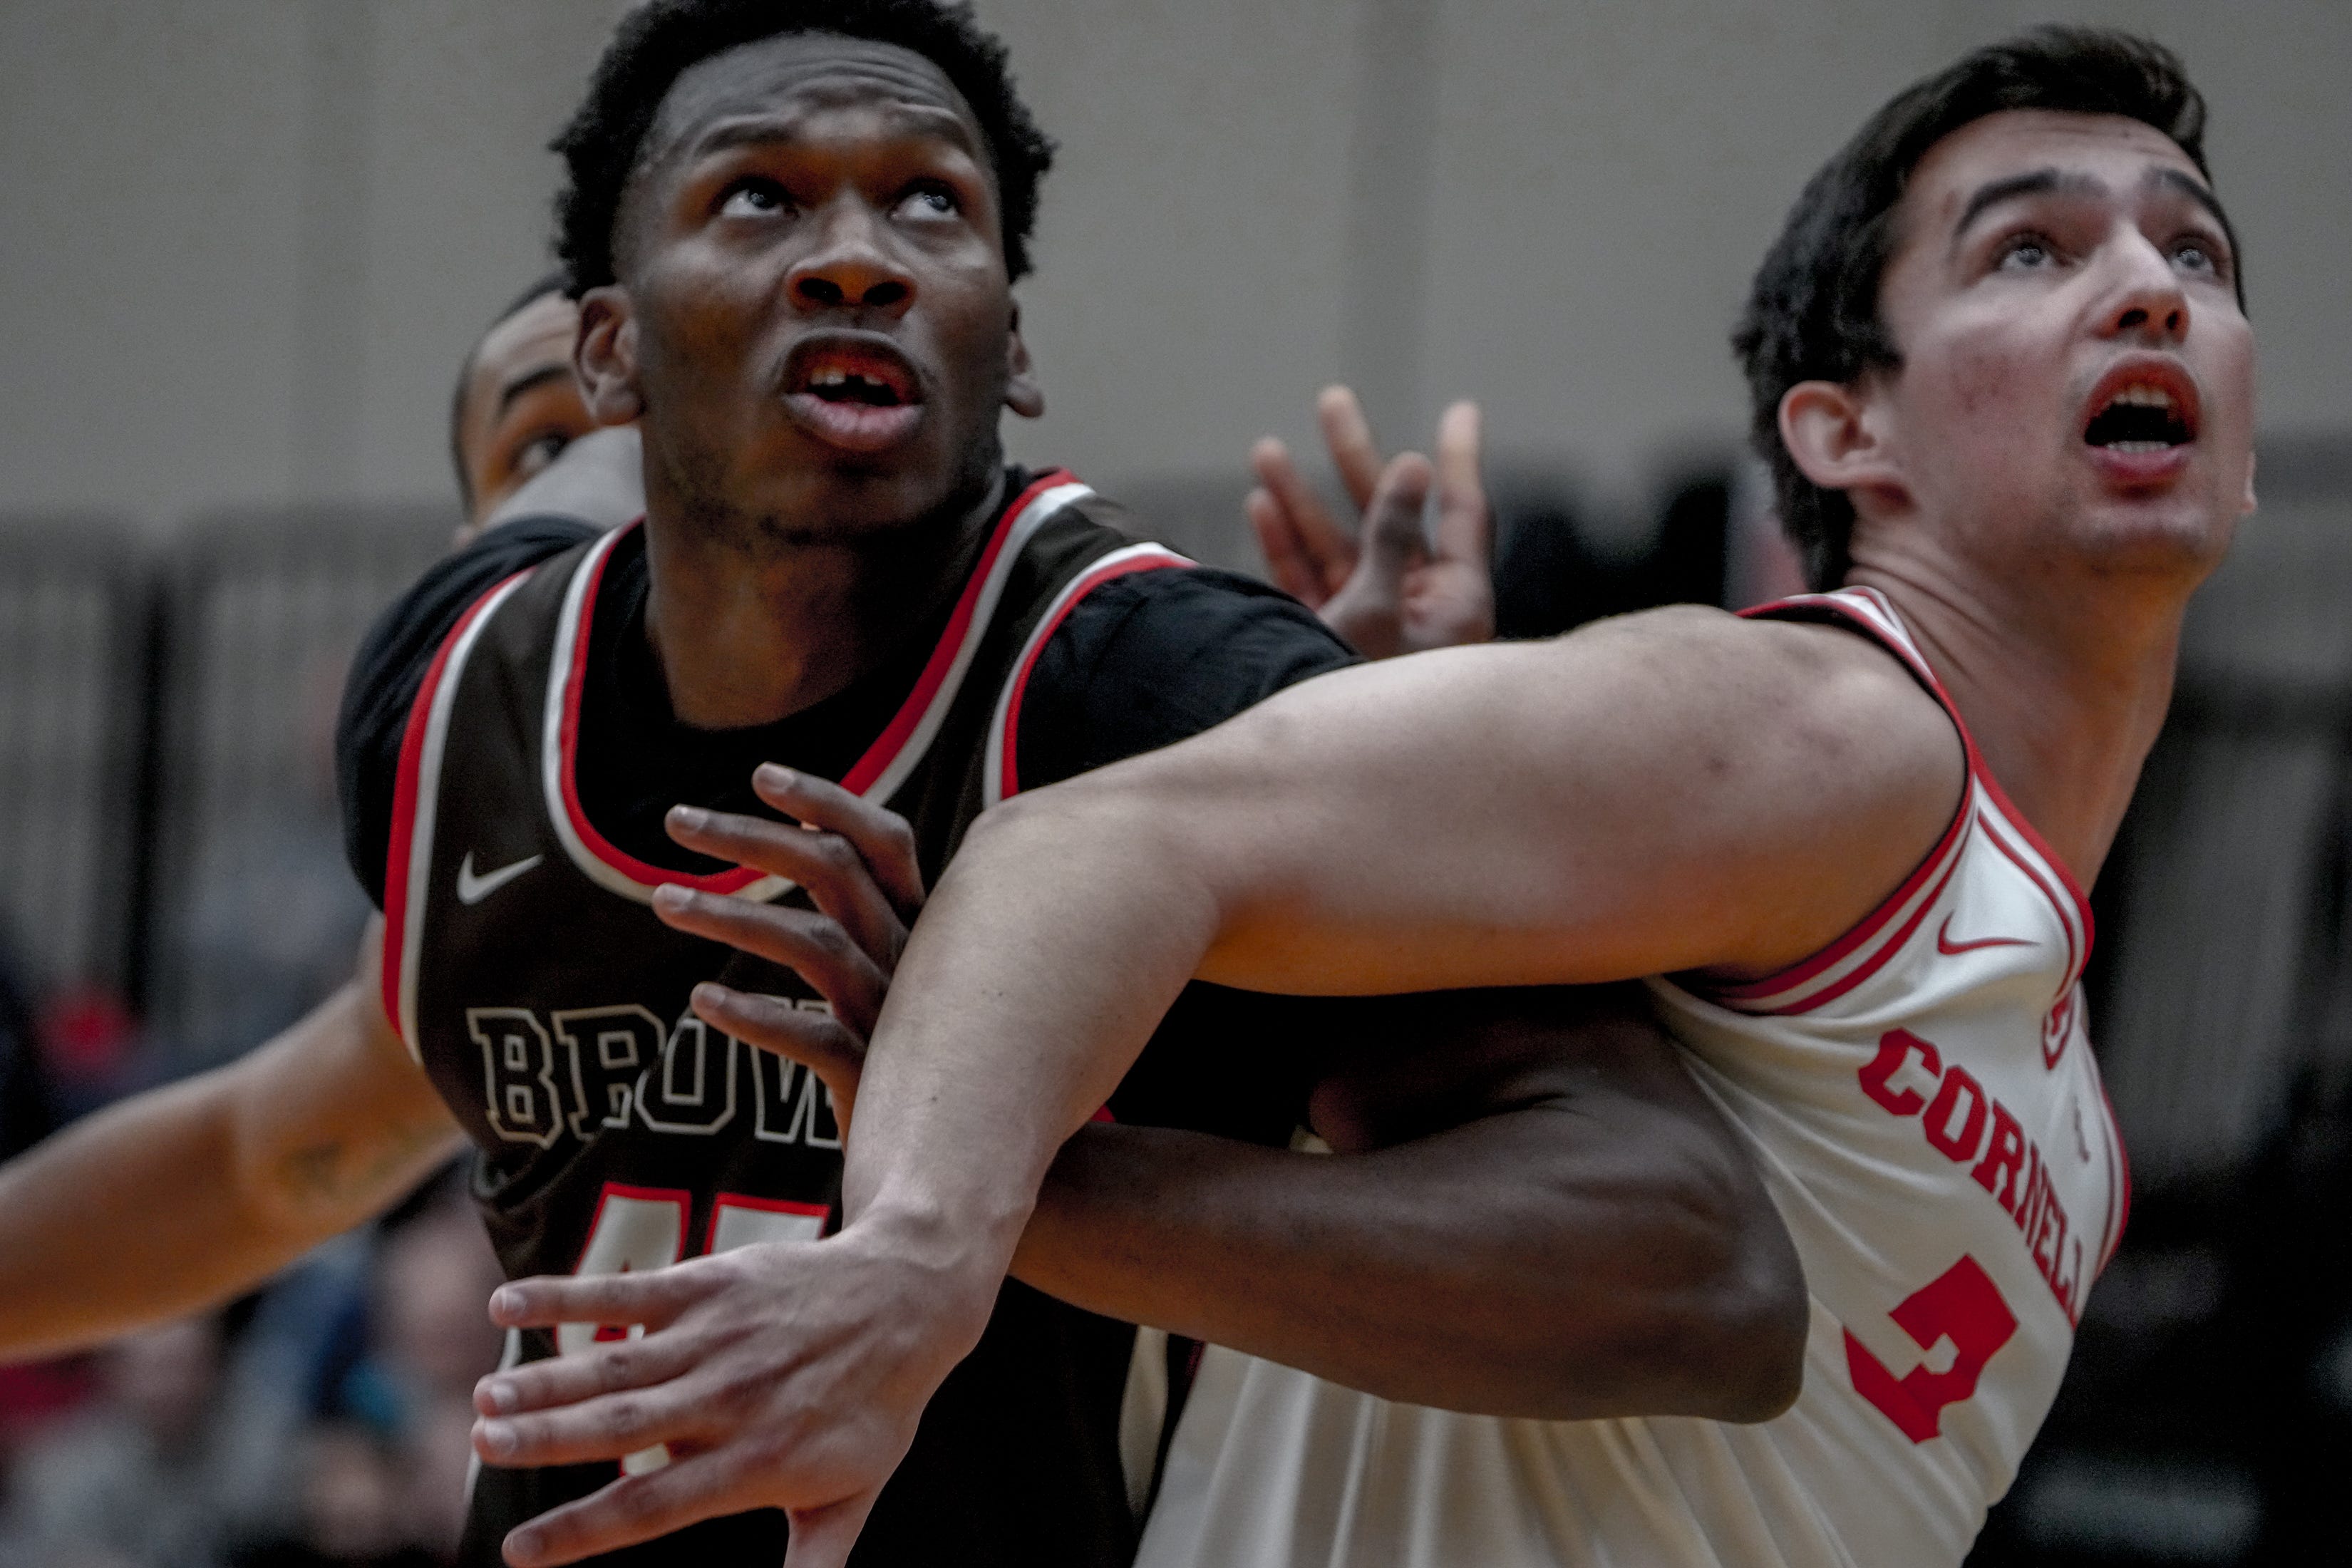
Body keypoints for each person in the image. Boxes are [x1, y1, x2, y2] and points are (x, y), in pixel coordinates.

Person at [0, 3, 1804, 1567]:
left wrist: (1004, 1194)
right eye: (760, 197)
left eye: (930, 201)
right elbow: (268, 1153)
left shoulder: (1154, 697)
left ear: (1011, 344)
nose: (856, 255)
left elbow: (1701, 1275)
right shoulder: (464, 701)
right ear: (615, 360)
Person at [521, 25, 2247, 1567]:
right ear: (1840, 431)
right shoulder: (1842, 730)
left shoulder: (2079, 1132)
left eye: (2194, 251)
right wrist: (910, 1258)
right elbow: (1091, 840)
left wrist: (1415, 729)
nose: (2148, 290)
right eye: (2032, 248)